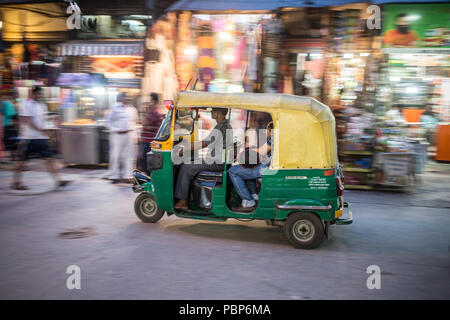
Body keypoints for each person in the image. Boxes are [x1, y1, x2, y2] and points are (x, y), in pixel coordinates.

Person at [11, 86, 71, 190]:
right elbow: (27, 121)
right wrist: (40, 129)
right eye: (39, 94)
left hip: (40, 138)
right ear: (33, 94)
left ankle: (58, 181)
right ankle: (16, 182)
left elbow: (44, 120)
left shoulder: (42, 105)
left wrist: (46, 130)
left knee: (49, 158)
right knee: (21, 161)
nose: (40, 96)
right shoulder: (25, 104)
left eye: (41, 94)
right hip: (27, 138)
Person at [174, 108, 232, 210]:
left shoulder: (222, 127)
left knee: (186, 167)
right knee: (191, 162)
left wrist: (185, 149)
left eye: (213, 110)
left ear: (220, 113)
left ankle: (183, 202)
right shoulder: (223, 126)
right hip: (217, 160)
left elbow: (204, 143)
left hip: (217, 162)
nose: (211, 112)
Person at [228, 122, 273, 213]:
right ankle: (254, 196)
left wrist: (240, 153)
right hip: (267, 166)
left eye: (266, 129)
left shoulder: (274, 138)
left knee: (233, 171)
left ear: (271, 130)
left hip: (267, 169)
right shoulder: (275, 139)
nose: (265, 131)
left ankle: (249, 201)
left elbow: (261, 152)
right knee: (247, 168)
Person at [107, 92, 138, 184]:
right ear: (121, 98)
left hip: (129, 134)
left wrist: (135, 135)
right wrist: (115, 129)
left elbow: (134, 122)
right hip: (117, 135)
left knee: (129, 156)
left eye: (129, 97)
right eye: (126, 97)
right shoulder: (114, 108)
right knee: (115, 156)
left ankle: (127, 176)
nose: (127, 98)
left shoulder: (132, 109)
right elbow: (108, 122)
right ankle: (114, 176)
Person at [138, 92, 164, 172]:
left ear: (154, 101)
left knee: (145, 164)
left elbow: (144, 123)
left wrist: (146, 111)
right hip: (147, 141)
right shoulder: (153, 112)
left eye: (150, 100)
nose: (149, 102)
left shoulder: (155, 112)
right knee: (143, 162)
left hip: (149, 142)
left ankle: (147, 181)